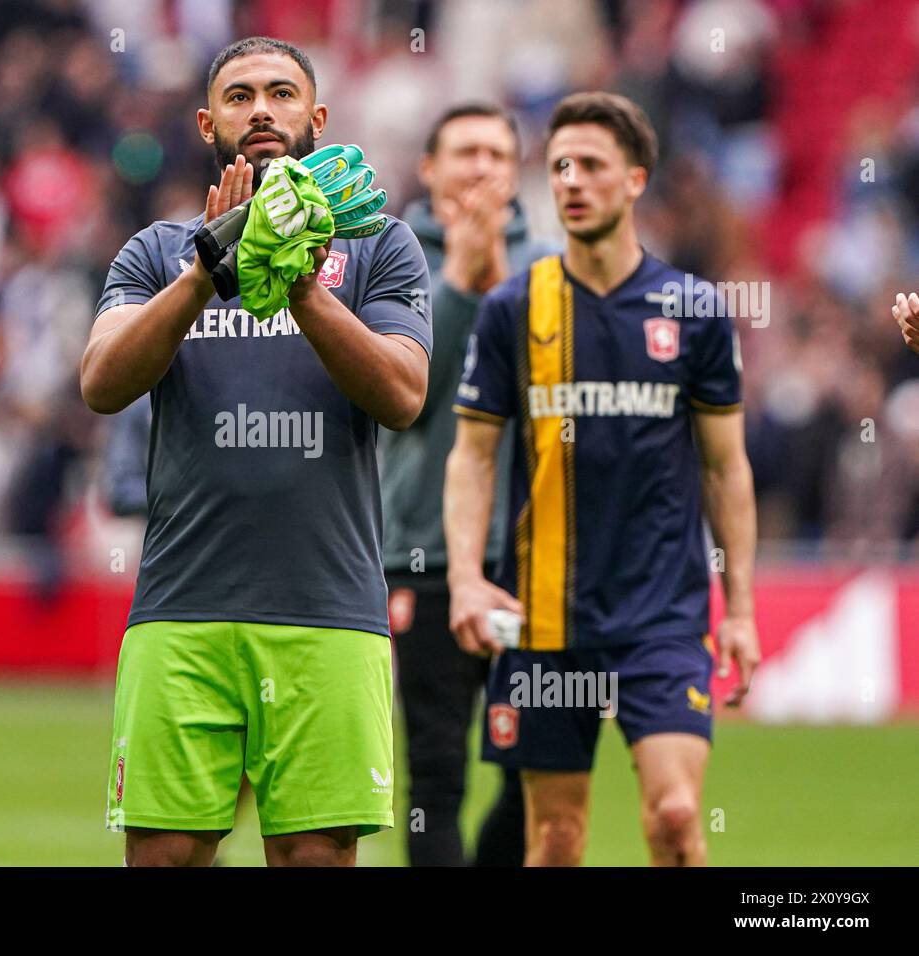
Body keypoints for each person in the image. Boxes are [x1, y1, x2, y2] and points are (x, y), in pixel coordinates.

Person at [81, 36, 431, 867]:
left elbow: (402, 396)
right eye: (240, 96)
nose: (261, 110)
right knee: (164, 857)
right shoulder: (156, 251)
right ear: (208, 123)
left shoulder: (382, 247)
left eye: (281, 94)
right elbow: (100, 380)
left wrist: (304, 283)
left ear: (317, 118)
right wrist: (206, 267)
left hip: (329, 610)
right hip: (181, 607)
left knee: (313, 860)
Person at [444, 92, 760, 866]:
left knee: (678, 818)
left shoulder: (694, 309)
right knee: (553, 839)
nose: (572, 181)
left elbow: (726, 466)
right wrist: (462, 579)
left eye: (592, 165)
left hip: (663, 616)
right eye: (559, 167)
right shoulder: (515, 307)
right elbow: (473, 454)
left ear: (636, 179)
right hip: (546, 618)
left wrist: (742, 608)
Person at [380, 103, 552, 867]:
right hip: (422, 555)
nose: (481, 167)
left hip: (537, 560)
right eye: (464, 151)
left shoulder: (553, 264)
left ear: (517, 170)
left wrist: (498, 277)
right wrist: (456, 275)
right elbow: (412, 399)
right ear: (428, 168)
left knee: (536, 782)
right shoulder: (388, 259)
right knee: (436, 778)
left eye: (496, 152)